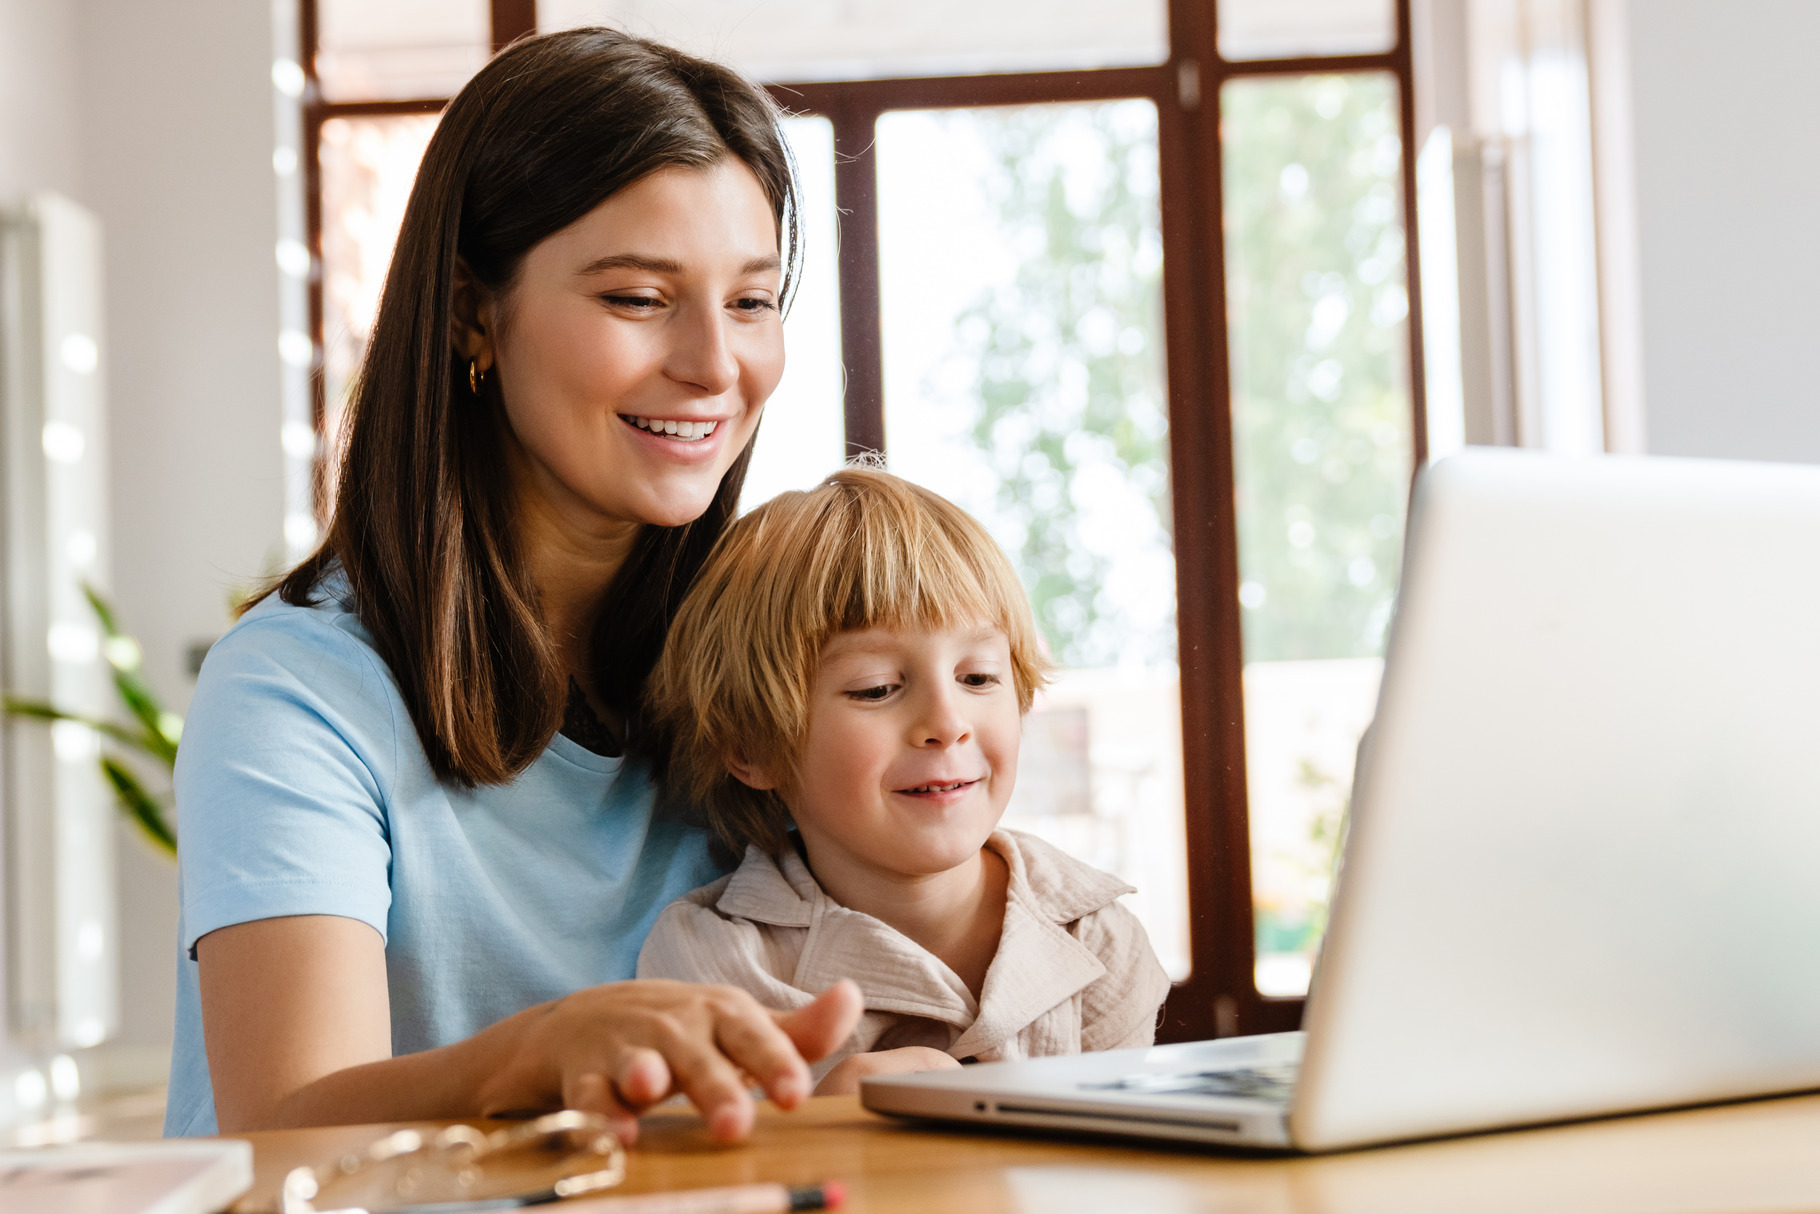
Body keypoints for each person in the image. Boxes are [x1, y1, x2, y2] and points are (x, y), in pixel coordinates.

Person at [166, 28, 866, 1142]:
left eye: (749, 300)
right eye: (639, 297)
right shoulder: (297, 687)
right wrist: (543, 1049)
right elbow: (285, 1119)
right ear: (469, 313)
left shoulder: (753, 662)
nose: (713, 364)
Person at [636, 468, 1172, 1093]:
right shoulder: (710, 963)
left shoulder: (1098, 935)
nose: (947, 724)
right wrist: (823, 1132)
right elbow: (714, 1181)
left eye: (978, 679)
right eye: (877, 689)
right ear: (750, 746)